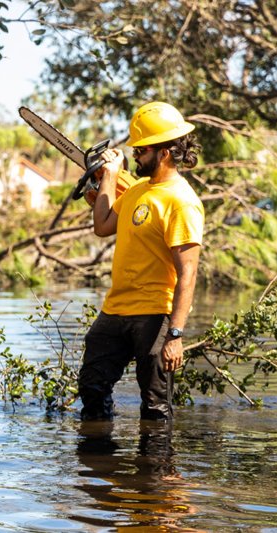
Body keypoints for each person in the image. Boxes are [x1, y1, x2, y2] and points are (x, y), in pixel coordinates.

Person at [78, 101, 204, 421]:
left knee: (155, 406)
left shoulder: (181, 201)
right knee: (92, 387)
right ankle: (99, 464)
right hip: (116, 309)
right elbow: (103, 226)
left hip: (154, 314)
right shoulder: (136, 191)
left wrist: (175, 335)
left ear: (163, 153)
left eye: (141, 151)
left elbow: (187, 272)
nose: (134, 155)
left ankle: (157, 469)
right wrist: (109, 175)